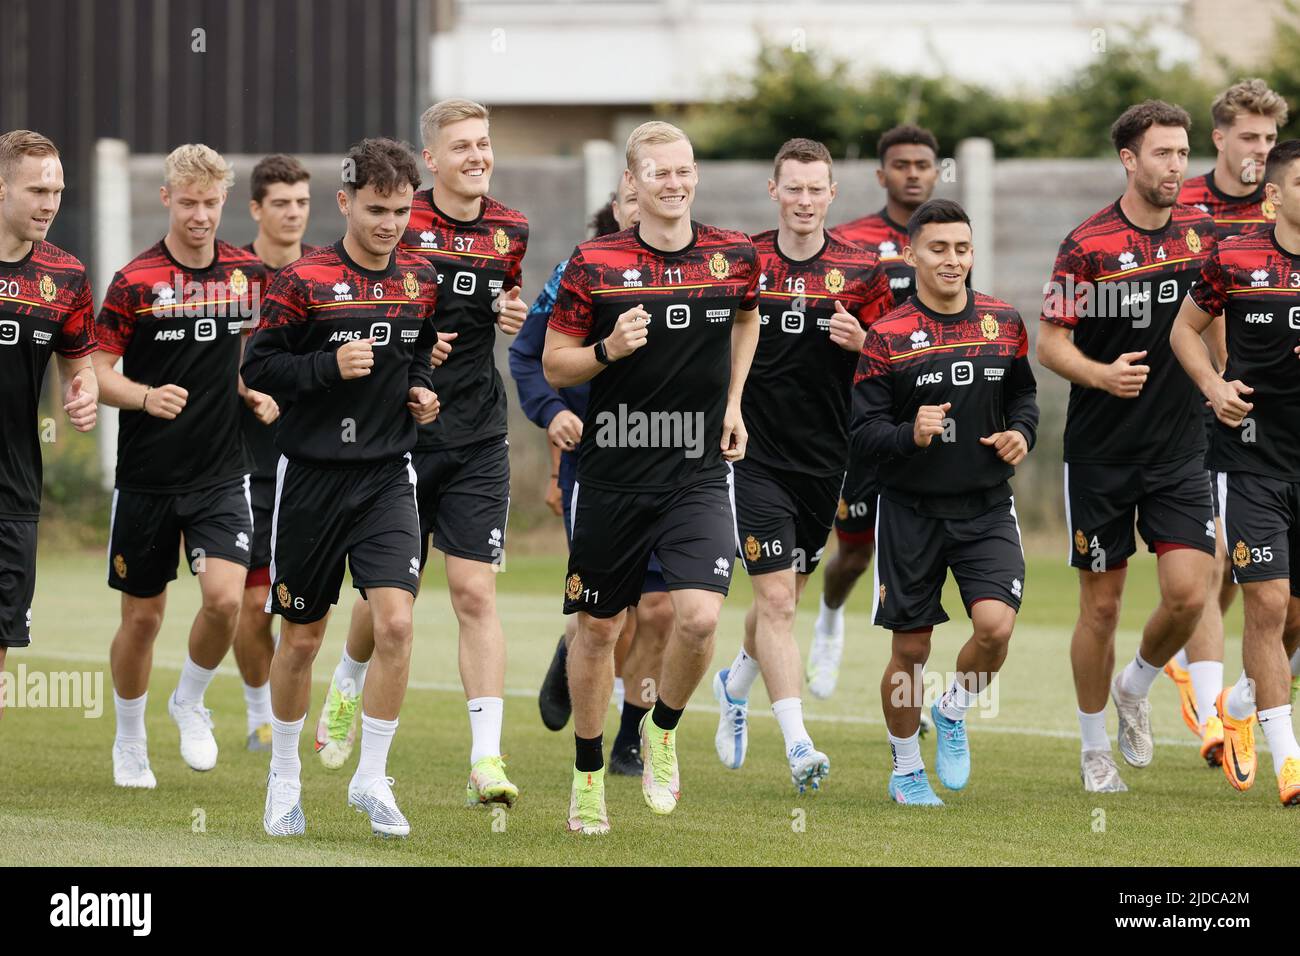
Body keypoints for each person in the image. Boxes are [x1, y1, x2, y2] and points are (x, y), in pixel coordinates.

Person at [543, 121, 761, 834]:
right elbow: (554, 363)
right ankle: (586, 775)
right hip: (611, 474)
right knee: (598, 629)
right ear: (632, 182)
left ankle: (662, 729)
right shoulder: (594, 262)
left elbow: (747, 319)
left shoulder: (733, 255)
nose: (674, 183)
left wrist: (732, 404)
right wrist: (607, 347)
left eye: (684, 170)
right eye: (658, 172)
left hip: (696, 470)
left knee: (698, 617)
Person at [315, 99, 529, 810]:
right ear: (430, 160)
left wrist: (510, 313)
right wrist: (412, 349)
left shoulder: (510, 229)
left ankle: (486, 758)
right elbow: (365, 300)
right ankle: (347, 684)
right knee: (391, 597)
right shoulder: (401, 217)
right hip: (401, 433)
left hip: (477, 432)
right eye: (462, 145)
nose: (478, 155)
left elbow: (505, 296)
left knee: (474, 591)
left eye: (485, 143)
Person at [241, 137, 441, 838]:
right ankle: (286, 780)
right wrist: (328, 366)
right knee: (301, 639)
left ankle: (371, 778)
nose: (390, 223)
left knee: (396, 622)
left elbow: (417, 356)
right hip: (312, 478)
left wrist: (421, 392)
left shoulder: (420, 280)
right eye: (377, 209)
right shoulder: (303, 280)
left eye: (401, 210)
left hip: (387, 476)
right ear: (346, 202)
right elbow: (262, 368)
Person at [1037, 101, 1216, 793]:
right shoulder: (1087, 244)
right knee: (1102, 607)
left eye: (1182, 152)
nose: (1176, 165)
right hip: (1101, 454)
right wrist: (1101, 375)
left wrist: (1222, 383)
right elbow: (1051, 343)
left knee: (1188, 595)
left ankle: (1135, 685)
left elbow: (1215, 317)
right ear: (1129, 160)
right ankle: (1092, 750)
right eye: (1163, 153)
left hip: (1181, 449)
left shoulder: (1202, 234)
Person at [710, 138, 892, 792]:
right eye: (794, 188)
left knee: (780, 597)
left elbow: (897, 363)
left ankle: (734, 685)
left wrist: (864, 342)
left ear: (833, 194)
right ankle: (797, 744)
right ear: (774, 190)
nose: (805, 200)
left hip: (827, 461)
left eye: (817, 189)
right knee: (779, 599)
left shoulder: (863, 269)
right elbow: (712, 341)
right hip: (752, 454)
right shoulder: (743, 260)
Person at [852, 198, 1037, 806]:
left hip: (985, 506)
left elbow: (1025, 399)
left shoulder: (1004, 322)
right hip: (909, 510)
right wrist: (912, 432)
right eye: (937, 248)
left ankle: (953, 711)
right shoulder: (886, 336)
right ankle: (906, 769)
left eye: (961, 248)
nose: (952, 260)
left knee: (995, 627)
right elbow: (862, 434)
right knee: (911, 648)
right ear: (911, 254)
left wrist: (1021, 434)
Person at [92, 144, 265, 788]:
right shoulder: (136, 280)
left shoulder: (249, 273)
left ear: (224, 201)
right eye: (187, 202)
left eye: (210, 202)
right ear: (166, 198)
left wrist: (254, 386)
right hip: (146, 477)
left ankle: (189, 698)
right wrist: (144, 397)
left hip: (222, 471)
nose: (199, 215)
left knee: (224, 601)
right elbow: (96, 373)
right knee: (143, 618)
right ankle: (130, 740)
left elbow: (258, 347)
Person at [508, 181, 673, 775]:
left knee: (661, 612)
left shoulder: (695, 269)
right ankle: (575, 649)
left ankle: (633, 732)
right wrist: (554, 414)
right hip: (600, 467)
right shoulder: (577, 276)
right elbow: (529, 356)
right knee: (613, 613)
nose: (647, 209)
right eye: (633, 203)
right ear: (617, 216)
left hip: (676, 463)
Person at [1170, 136, 1300, 805]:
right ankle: (1291, 764)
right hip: (1250, 458)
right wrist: (1214, 386)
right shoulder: (1235, 255)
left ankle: (1241, 700)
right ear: (1274, 194)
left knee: (1293, 619)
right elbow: (1184, 331)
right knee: (1268, 604)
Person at [809, 124, 942, 704]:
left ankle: (915, 684)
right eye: (902, 164)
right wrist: (868, 344)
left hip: (926, 423)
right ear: (881, 174)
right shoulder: (850, 242)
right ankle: (830, 618)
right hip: (861, 422)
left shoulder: (949, 238)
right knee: (854, 553)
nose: (913, 173)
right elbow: (830, 326)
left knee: (927, 550)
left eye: (923, 164)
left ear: (937, 171)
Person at [0, 129, 98, 721]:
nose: (50, 203)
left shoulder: (64, 277)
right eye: (37, 190)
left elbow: (77, 367)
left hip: (13, 486)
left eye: (57, 191)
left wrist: (81, 396)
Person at [235, 153, 317, 751]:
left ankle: (286, 708)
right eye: (281, 203)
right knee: (250, 602)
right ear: (257, 209)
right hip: (241, 462)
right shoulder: (234, 278)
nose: (293, 214)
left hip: (310, 461)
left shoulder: (323, 274)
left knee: (300, 604)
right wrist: (253, 390)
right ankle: (258, 709)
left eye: (302, 203)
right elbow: (217, 356)